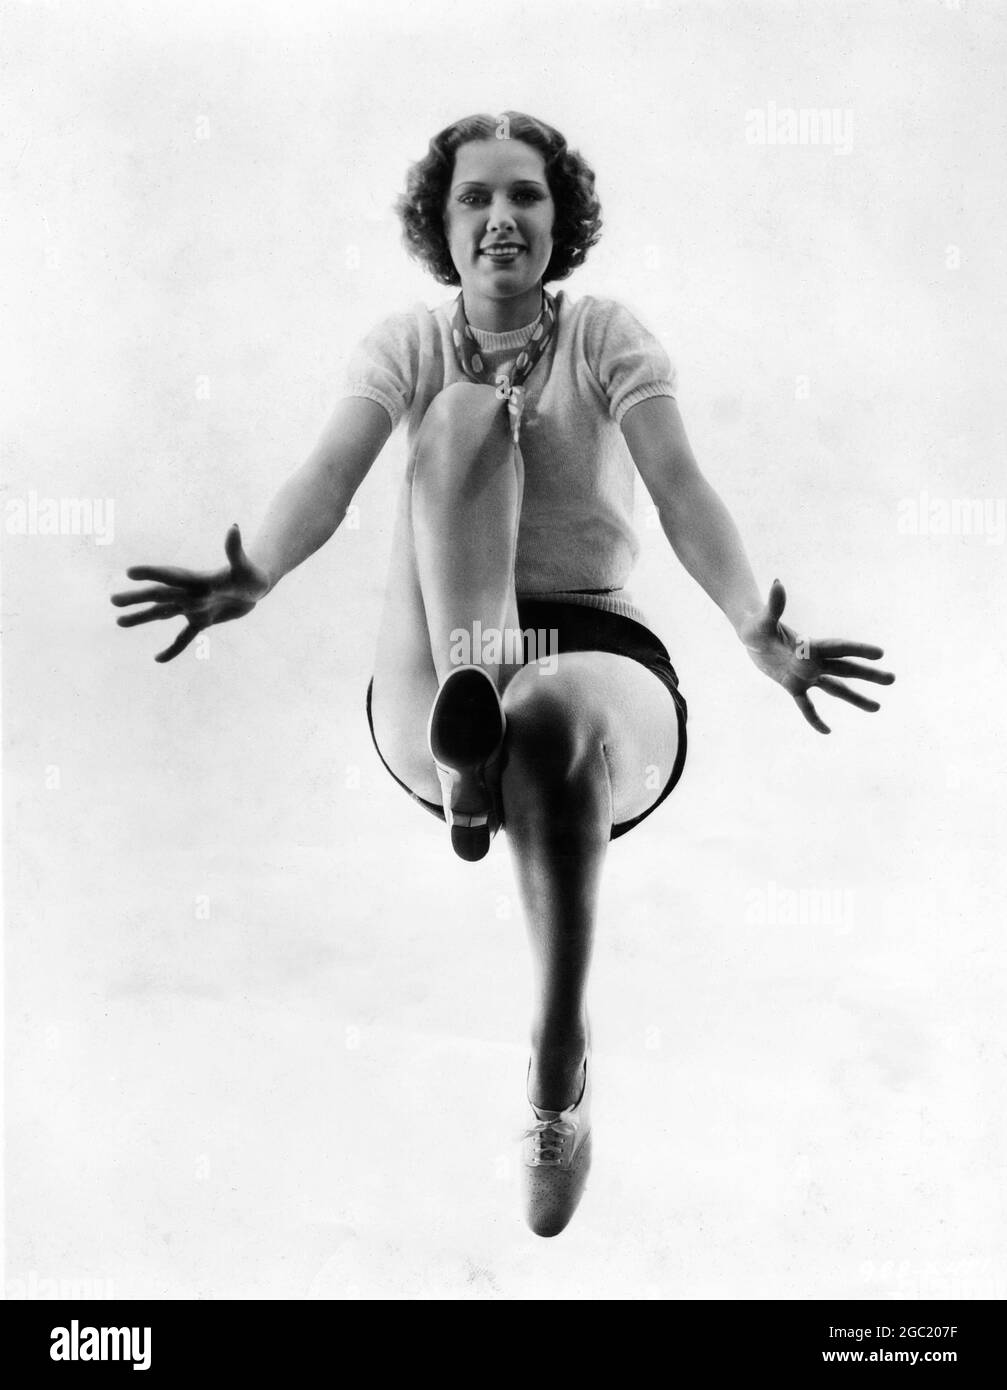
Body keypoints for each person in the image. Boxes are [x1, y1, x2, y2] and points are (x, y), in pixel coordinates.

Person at [111, 111, 894, 1238]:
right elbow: (328, 474)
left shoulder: (606, 336)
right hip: (438, 659)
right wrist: (259, 572)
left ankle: (552, 1073)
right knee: (464, 415)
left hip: (588, 652)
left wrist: (750, 628)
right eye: (473, 197)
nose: (499, 218)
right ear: (441, 224)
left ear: (557, 216)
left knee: (544, 706)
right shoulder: (406, 344)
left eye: (523, 195)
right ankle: (468, 744)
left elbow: (680, 489)